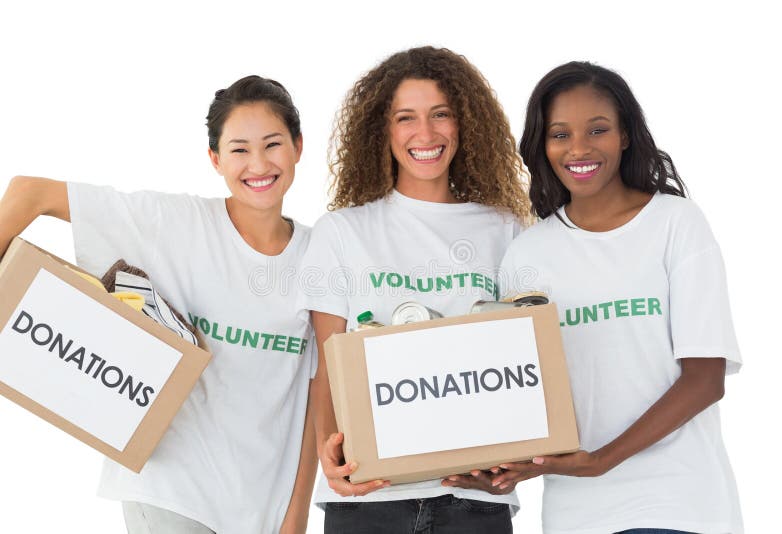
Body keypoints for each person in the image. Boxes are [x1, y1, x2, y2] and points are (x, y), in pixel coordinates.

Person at [0, 75, 318, 533]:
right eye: (239, 149)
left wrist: (296, 516)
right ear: (215, 159)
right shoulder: (175, 224)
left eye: (272, 144)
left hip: (260, 512)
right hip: (170, 492)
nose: (259, 164)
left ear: (298, 147)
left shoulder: (320, 256)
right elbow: (30, 191)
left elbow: (313, 398)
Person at [495, 61, 743, 534]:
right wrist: (500, 466)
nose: (579, 148)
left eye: (598, 130)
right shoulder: (528, 253)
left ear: (625, 135)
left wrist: (601, 461)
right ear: (541, 145)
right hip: (576, 514)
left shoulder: (676, 224)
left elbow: (706, 378)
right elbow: (523, 390)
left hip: (678, 503)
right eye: (560, 134)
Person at [297, 46, 530, 533]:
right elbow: (327, 367)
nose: (425, 134)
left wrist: (520, 458)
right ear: (382, 129)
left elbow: (525, 360)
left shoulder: (504, 229)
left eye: (440, 114)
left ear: (464, 123)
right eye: (406, 118)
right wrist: (329, 452)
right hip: (370, 497)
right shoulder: (342, 232)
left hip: (472, 497)